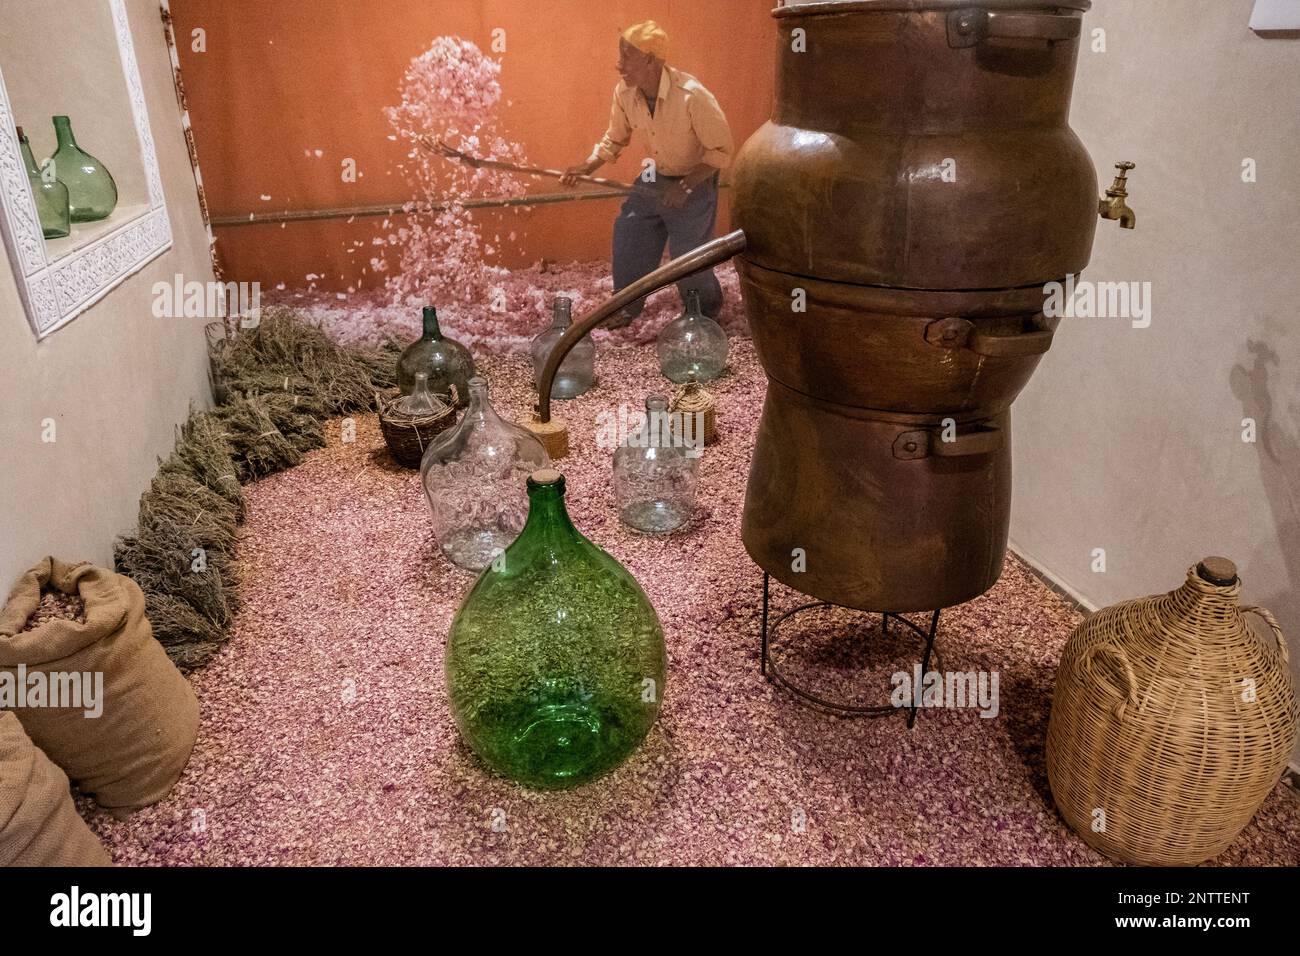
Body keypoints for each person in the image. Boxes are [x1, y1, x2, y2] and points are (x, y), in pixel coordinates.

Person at [561, 20, 734, 327]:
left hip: (694, 176)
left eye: (627, 56)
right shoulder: (625, 93)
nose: (619, 65)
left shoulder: (693, 96)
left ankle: (703, 311)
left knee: (689, 253)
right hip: (655, 174)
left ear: (651, 60)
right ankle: (626, 306)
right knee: (630, 230)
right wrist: (585, 167)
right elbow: (615, 138)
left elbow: (720, 153)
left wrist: (685, 186)